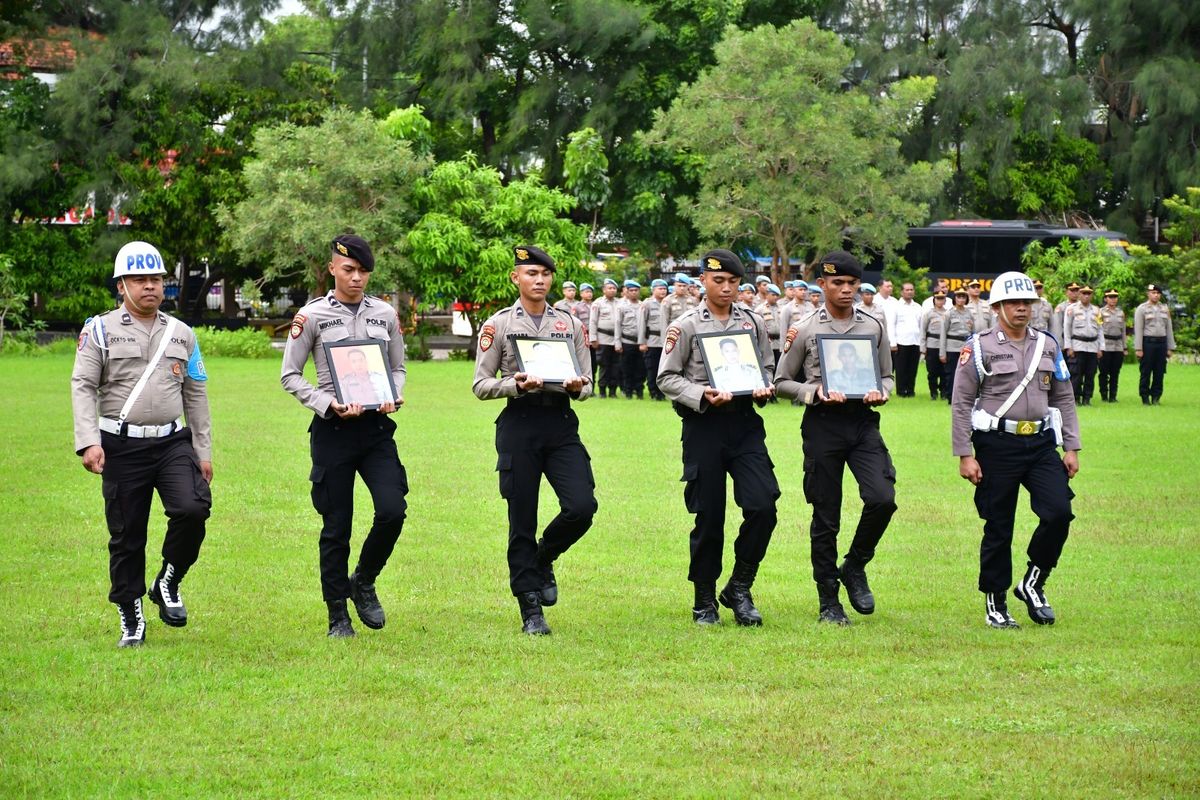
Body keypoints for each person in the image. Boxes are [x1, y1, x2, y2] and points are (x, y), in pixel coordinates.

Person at [72, 240, 213, 648]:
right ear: (121, 285)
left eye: (156, 279)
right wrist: (88, 441)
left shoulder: (181, 333)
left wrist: (202, 451)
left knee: (192, 508)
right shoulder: (98, 330)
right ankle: (130, 614)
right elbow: (82, 386)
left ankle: (168, 581)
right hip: (120, 445)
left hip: (172, 442)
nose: (150, 286)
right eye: (139, 279)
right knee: (127, 534)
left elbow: (196, 393)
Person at [281, 234, 407, 638]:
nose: (357, 278)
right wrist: (325, 403)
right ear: (332, 268)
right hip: (333, 429)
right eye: (349, 270)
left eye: (364, 272)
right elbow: (289, 375)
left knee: (393, 510)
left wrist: (394, 393)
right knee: (337, 525)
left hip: (375, 429)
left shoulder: (385, 314)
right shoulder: (313, 316)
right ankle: (337, 614)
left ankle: (364, 580)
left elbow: (398, 366)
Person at [472, 245, 597, 635]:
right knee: (521, 519)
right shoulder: (499, 324)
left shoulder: (570, 325)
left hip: (560, 424)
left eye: (545, 274)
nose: (539, 280)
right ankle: (530, 609)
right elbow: (480, 384)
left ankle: (544, 557)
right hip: (519, 424)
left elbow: (589, 383)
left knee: (582, 506)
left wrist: (578, 387)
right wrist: (515, 384)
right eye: (531, 273)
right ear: (516, 277)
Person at [951, 270, 1080, 629]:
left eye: (1027, 303)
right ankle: (996, 603)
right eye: (1013, 303)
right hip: (996, 445)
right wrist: (965, 453)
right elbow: (961, 402)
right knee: (999, 526)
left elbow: (1064, 397)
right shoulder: (978, 347)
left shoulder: (1048, 345)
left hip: (1040, 444)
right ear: (997, 307)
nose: (1022, 309)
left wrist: (1071, 446)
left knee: (1059, 512)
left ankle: (1033, 582)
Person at [657, 249, 779, 627]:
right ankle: (704, 598)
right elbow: (666, 377)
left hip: (744, 425)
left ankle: (740, 586)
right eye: (718, 281)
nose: (726, 288)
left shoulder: (753, 323)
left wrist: (764, 388)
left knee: (763, 507)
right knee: (710, 515)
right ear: (703, 282)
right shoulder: (687, 325)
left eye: (733, 282)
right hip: (704, 426)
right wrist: (701, 394)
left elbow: (767, 367)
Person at [775, 251, 896, 626]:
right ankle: (828, 599)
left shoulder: (873, 326)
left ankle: (855, 565)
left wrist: (883, 391)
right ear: (822, 285)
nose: (846, 291)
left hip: (862, 423)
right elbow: (781, 382)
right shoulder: (807, 328)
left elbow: (888, 376)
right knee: (826, 516)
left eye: (852, 284)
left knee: (882, 498)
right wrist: (814, 392)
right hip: (823, 424)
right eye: (837, 284)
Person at [1134, 283, 1175, 405]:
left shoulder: (1164, 309)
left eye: (1158, 293)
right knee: (1146, 371)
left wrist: (1170, 346)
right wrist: (1138, 348)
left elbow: (1169, 328)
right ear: (1148, 293)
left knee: (1159, 372)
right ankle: (1145, 397)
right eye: (1153, 293)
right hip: (1148, 343)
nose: (1156, 295)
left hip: (1161, 343)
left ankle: (1156, 397)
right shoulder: (1142, 309)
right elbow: (1139, 329)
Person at [1064, 286, 1101, 405]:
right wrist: (1069, 346)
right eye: (1084, 293)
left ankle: (1087, 398)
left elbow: (1100, 329)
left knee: (1090, 374)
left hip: (1093, 346)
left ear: (1092, 295)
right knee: (1076, 374)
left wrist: (1101, 348)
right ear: (1080, 295)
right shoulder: (1072, 309)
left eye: (1089, 293)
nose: (1086, 295)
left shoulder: (1097, 310)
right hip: (1078, 345)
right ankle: (1075, 398)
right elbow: (1067, 328)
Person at [939, 289, 974, 404]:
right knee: (951, 373)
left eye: (963, 297)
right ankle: (950, 397)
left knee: (966, 373)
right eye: (959, 297)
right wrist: (942, 353)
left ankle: (963, 397)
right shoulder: (949, 313)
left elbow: (973, 332)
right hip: (952, 347)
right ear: (955, 299)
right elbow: (943, 333)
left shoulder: (969, 313)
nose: (961, 299)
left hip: (965, 348)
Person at [588, 278, 622, 397]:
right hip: (602, 339)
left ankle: (612, 391)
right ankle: (602, 391)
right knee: (604, 366)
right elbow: (592, 321)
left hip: (616, 340)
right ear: (604, 290)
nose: (612, 290)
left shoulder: (620, 303)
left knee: (615, 366)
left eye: (614, 288)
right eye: (610, 288)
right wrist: (593, 338)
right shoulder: (598, 303)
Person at [639, 278, 669, 400]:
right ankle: (653, 392)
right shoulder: (647, 304)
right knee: (652, 368)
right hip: (652, 341)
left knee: (664, 369)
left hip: (666, 342)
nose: (663, 291)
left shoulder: (668, 302)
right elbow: (642, 323)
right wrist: (642, 342)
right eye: (660, 289)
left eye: (665, 289)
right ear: (653, 290)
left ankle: (661, 392)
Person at [614, 279, 645, 398]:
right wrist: (618, 343)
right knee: (627, 369)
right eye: (631, 290)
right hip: (627, 341)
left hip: (640, 342)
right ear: (626, 292)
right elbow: (617, 325)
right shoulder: (621, 306)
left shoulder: (643, 305)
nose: (634, 292)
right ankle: (628, 392)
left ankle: (639, 391)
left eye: (636, 290)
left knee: (641, 369)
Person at [1098, 289, 1126, 402]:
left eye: (1115, 297)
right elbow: (1098, 329)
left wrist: (1125, 347)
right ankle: (1104, 395)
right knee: (1104, 372)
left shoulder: (1121, 312)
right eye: (1110, 297)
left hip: (1118, 346)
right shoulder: (1100, 312)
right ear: (1105, 298)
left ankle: (1113, 396)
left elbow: (1123, 331)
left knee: (1115, 372)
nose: (1113, 299)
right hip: (1106, 345)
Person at [920, 290, 948, 400]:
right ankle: (933, 392)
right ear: (934, 300)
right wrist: (923, 347)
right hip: (932, 345)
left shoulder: (948, 313)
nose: (940, 301)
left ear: (945, 300)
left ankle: (944, 392)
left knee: (944, 372)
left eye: (942, 298)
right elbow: (923, 331)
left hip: (944, 346)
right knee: (932, 372)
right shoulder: (929, 314)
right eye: (938, 298)